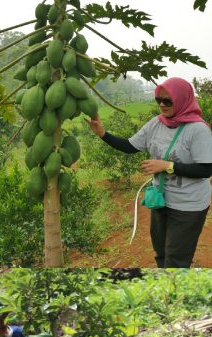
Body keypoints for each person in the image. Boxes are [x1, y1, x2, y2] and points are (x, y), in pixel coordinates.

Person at [86, 77, 212, 267]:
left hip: (188, 206)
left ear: (182, 99)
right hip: (160, 201)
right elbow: (130, 146)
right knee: (161, 254)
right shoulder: (156, 123)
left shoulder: (198, 130)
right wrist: (103, 134)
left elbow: (206, 169)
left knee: (176, 260)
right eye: (158, 100)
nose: (162, 105)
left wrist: (167, 166)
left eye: (167, 101)